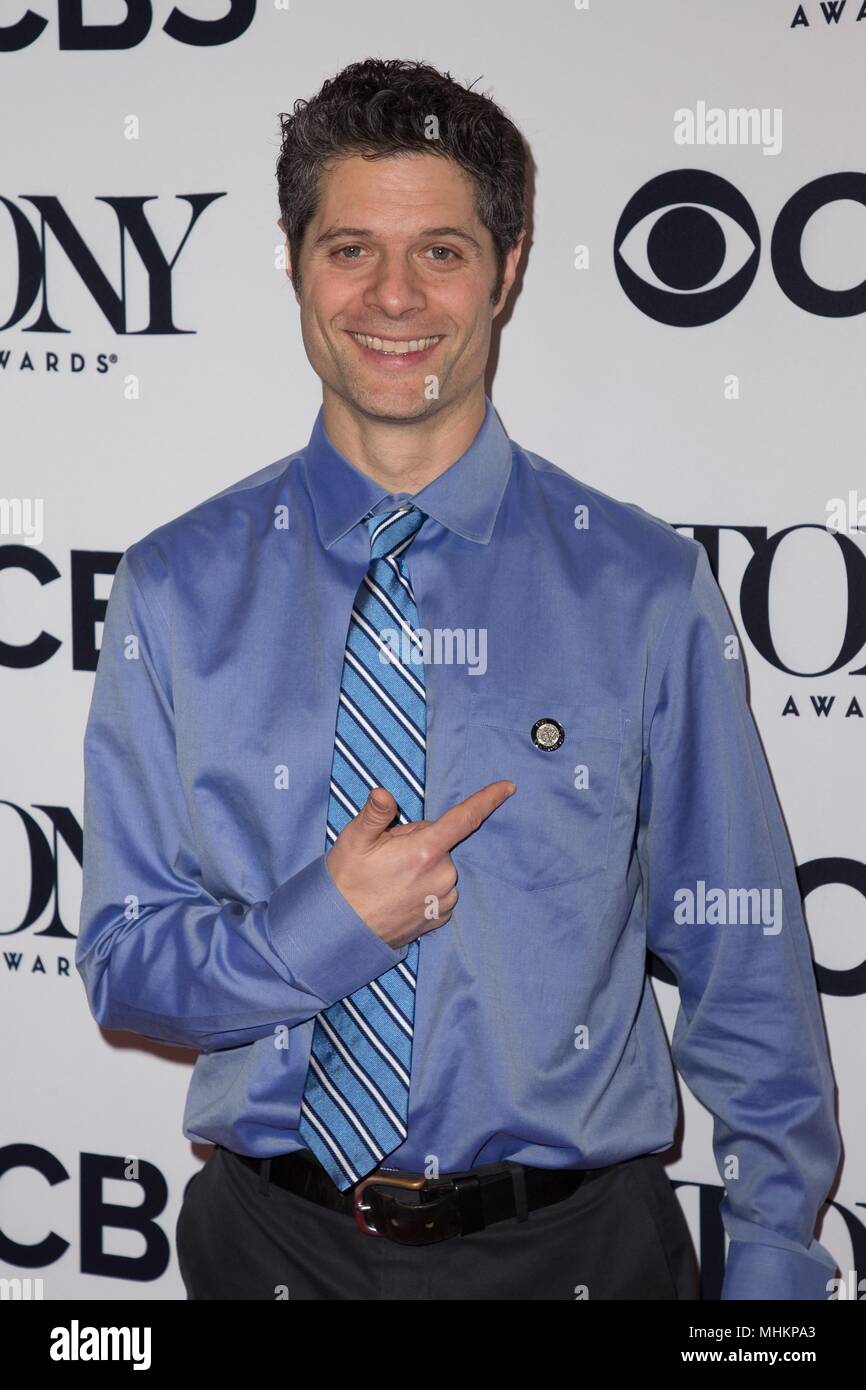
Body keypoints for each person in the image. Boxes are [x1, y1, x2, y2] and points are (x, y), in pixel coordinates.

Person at [76, 57, 840, 1302]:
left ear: (509, 264)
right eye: (348, 249)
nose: (391, 296)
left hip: (579, 1258)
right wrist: (325, 924)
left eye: (438, 250)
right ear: (291, 259)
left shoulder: (642, 589)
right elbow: (125, 966)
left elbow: (740, 960)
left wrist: (768, 1281)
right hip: (269, 1253)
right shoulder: (174, 589)